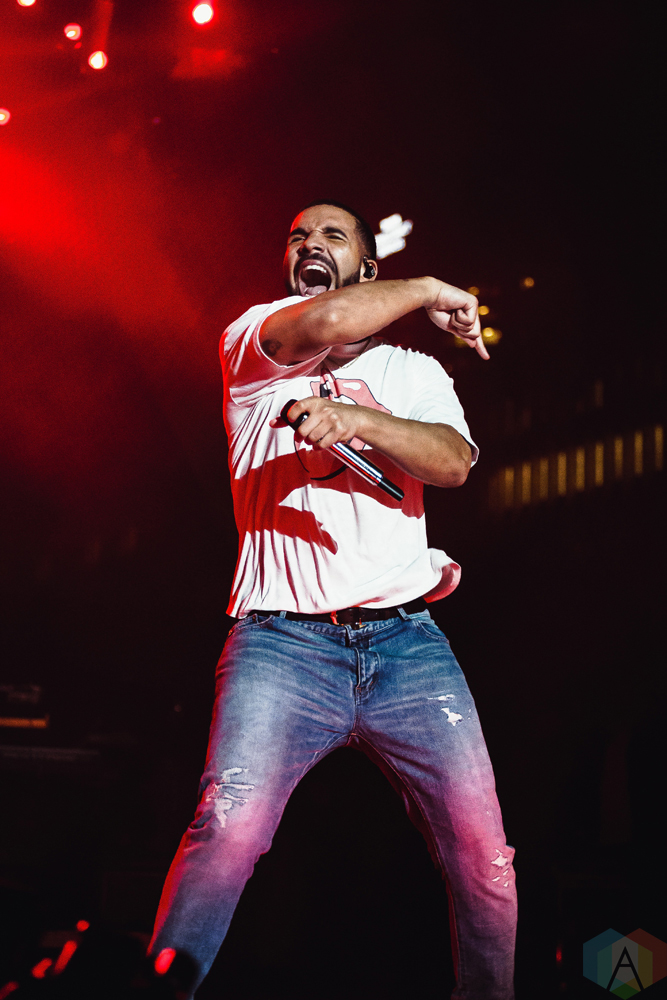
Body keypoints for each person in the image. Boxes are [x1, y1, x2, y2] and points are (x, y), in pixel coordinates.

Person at [149, 201, 517, 999]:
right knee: (227, 829)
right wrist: (428, 286)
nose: (310, 244)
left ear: (365, 266)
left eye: (332, 236)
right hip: (281, 647)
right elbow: (329, 322)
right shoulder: (255, 341)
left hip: (408, 648)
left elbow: (452, 462)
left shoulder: (413, 372)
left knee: (484, 856)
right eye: (297, 236)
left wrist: (354, 419)